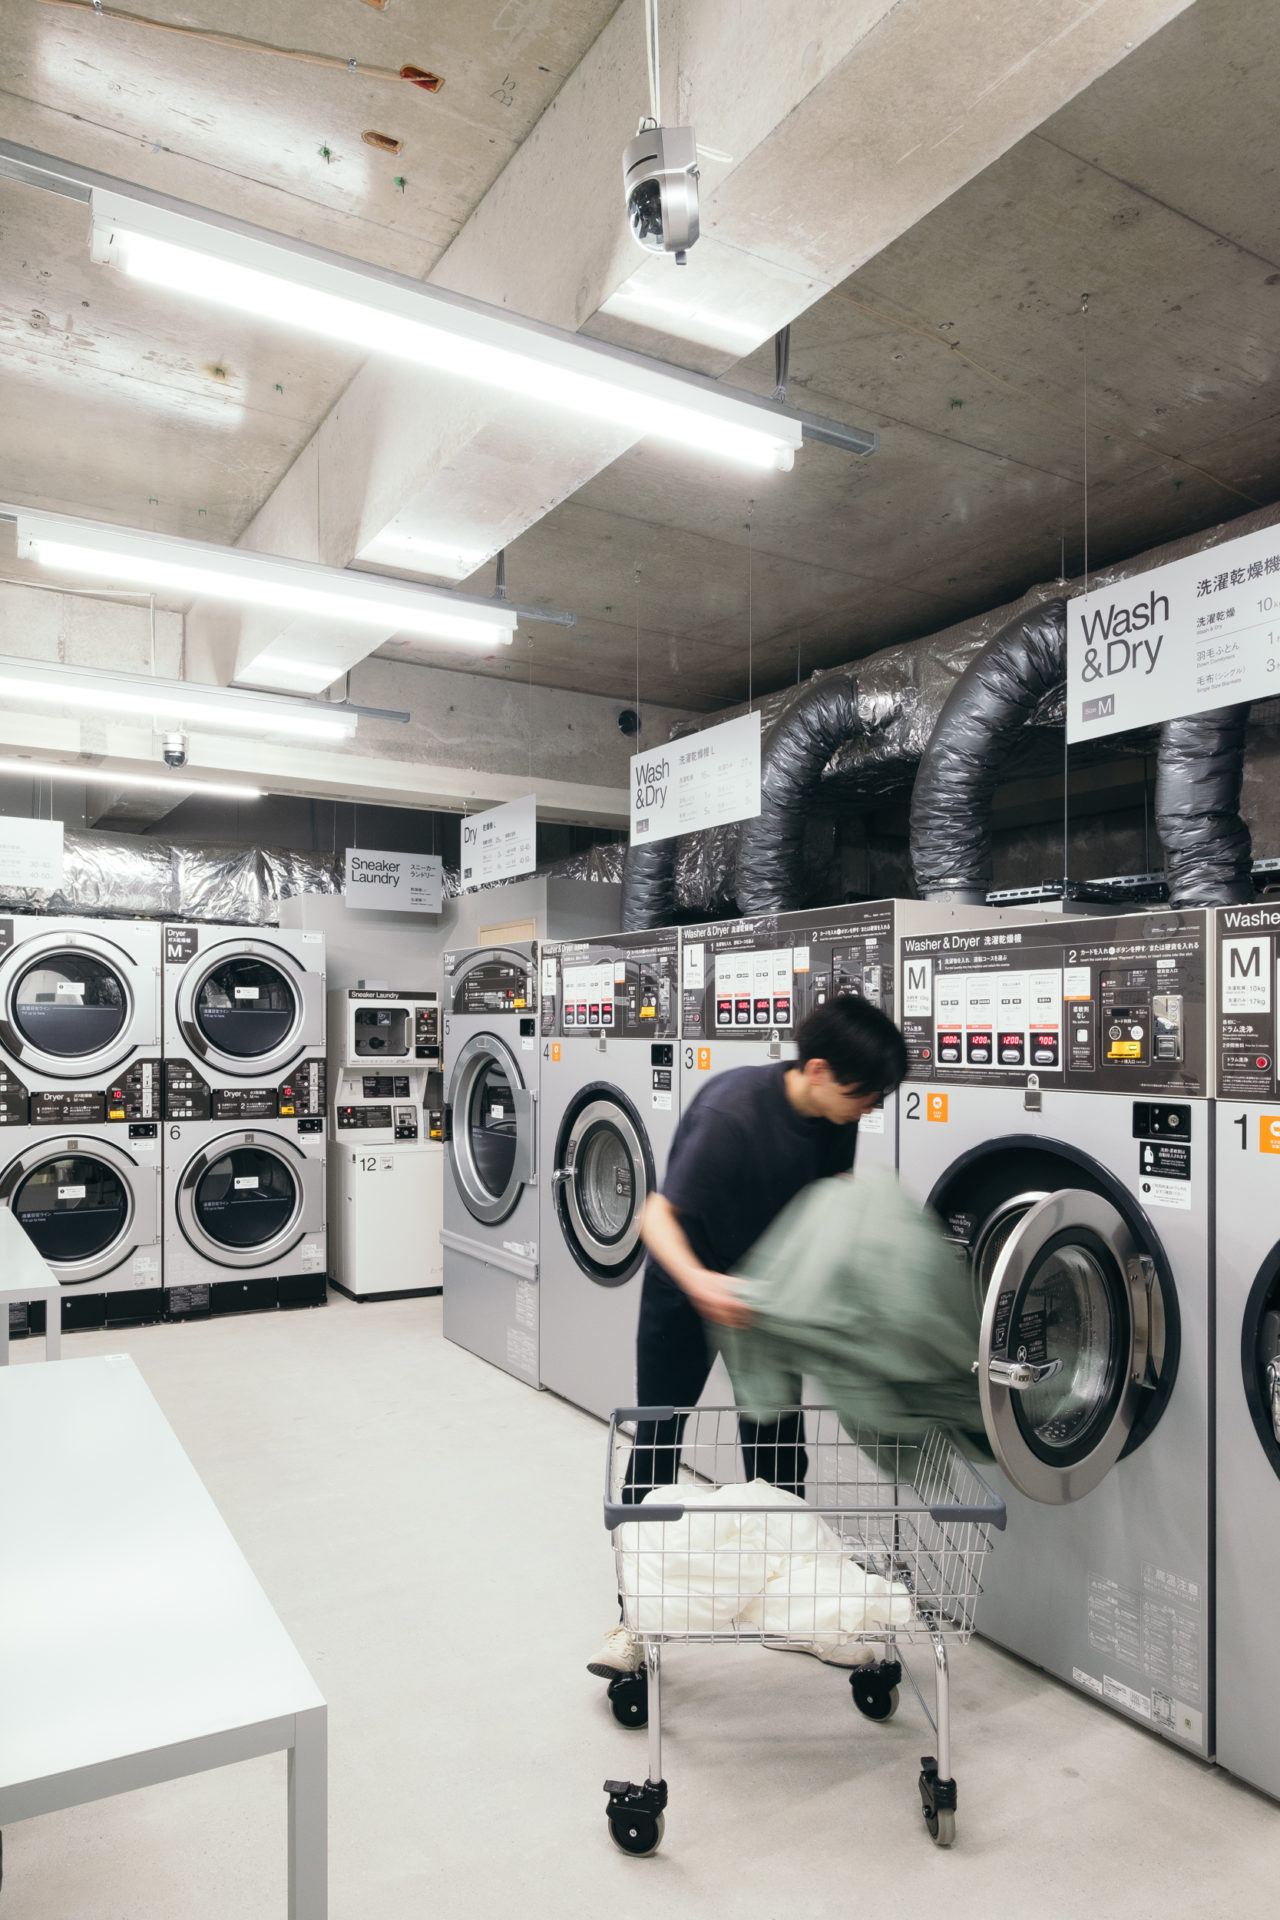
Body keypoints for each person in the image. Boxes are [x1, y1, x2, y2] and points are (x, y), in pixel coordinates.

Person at [589, 992, 909, 1681]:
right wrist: (704, 1287)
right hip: (687, 1287)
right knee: (659, 1444)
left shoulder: (837, 1114)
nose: (871, 1109)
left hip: (766, 1296)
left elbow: (834, 1200)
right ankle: (634, 1620)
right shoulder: (731, 1115)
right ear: (818, 1071)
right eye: (865, 1094)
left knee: (779, 1451)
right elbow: (655, 1220)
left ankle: (796, 1612)